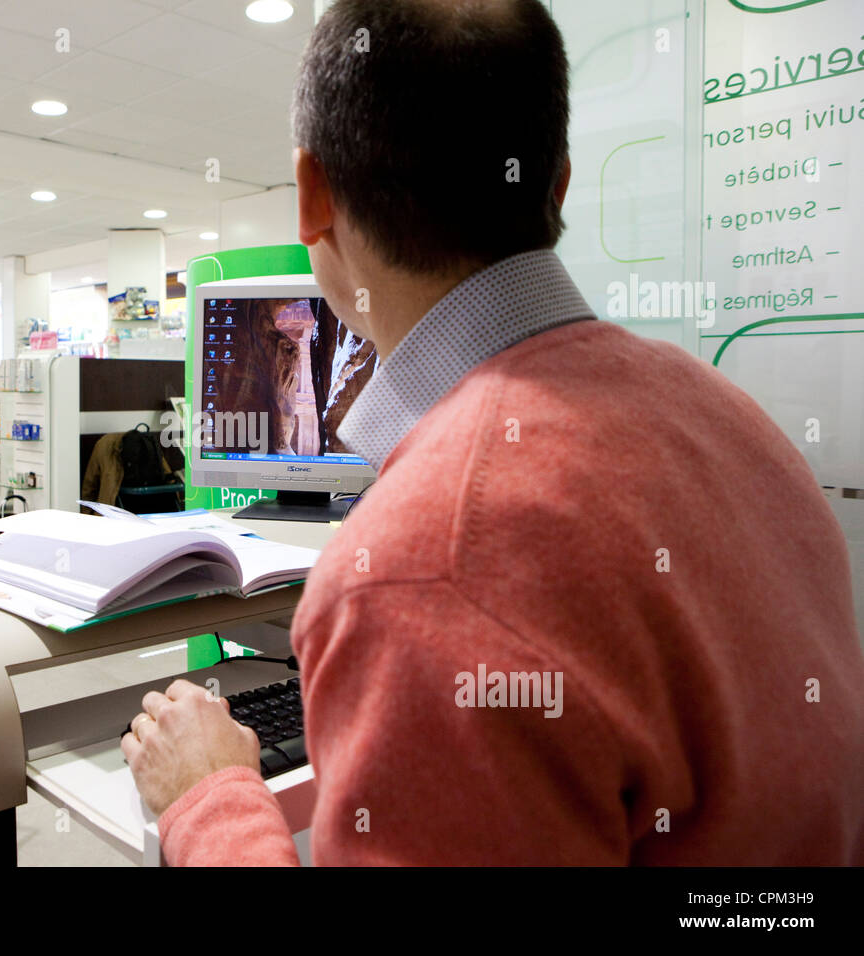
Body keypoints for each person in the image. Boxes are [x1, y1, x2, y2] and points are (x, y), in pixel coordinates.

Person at [121, 0, 864, 865]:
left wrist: (211, 800)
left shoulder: (418, 566)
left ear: (312, 195)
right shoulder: (739, 424)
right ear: (557, 184)